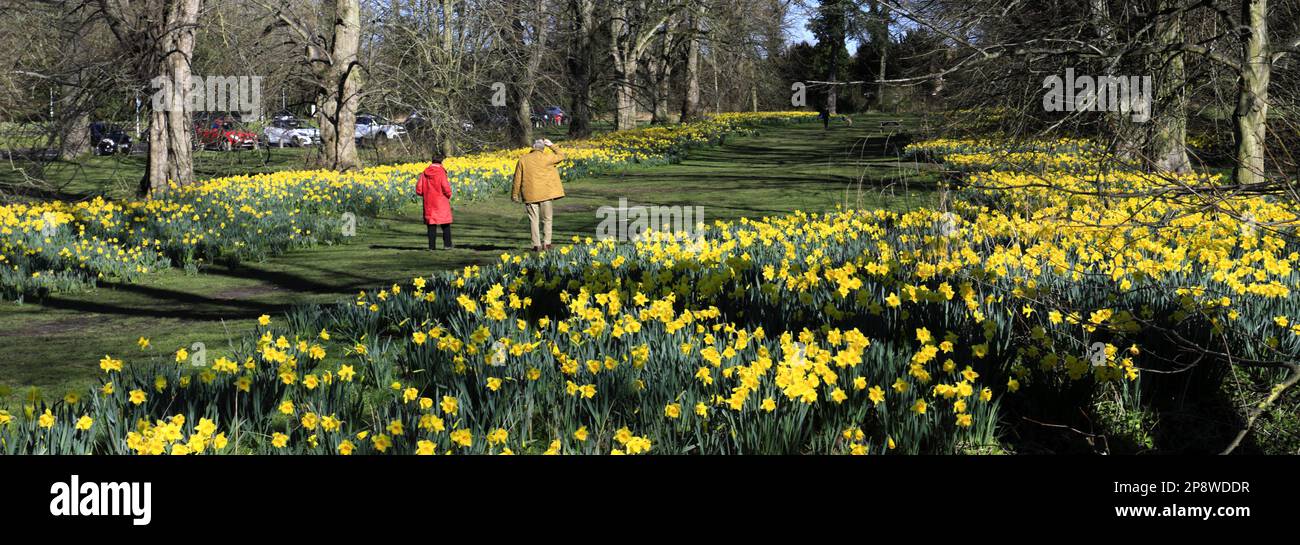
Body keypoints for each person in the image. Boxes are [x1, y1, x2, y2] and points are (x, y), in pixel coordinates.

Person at [511, 139, 566, 251]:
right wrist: (551, 145)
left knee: (533, 220)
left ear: (533, 147)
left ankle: (536, 245)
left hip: (530, 195)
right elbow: (561, 155)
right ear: (543, 148)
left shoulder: (523, 160)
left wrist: (515, 194)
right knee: (547, 219)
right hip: (546, 194)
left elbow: (517, 179)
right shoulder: (547, 157)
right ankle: (547, 243)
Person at [416, 149, 454, 250]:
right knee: (445, 223)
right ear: (441, 161)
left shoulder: (425, 172)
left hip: (429, 202)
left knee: (431, 225)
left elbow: (419, 188)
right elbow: (445, 186)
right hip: (441, 201)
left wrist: (425, 193)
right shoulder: (441, 172)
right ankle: (447, 245)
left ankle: (431, 247)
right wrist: (449, 194)